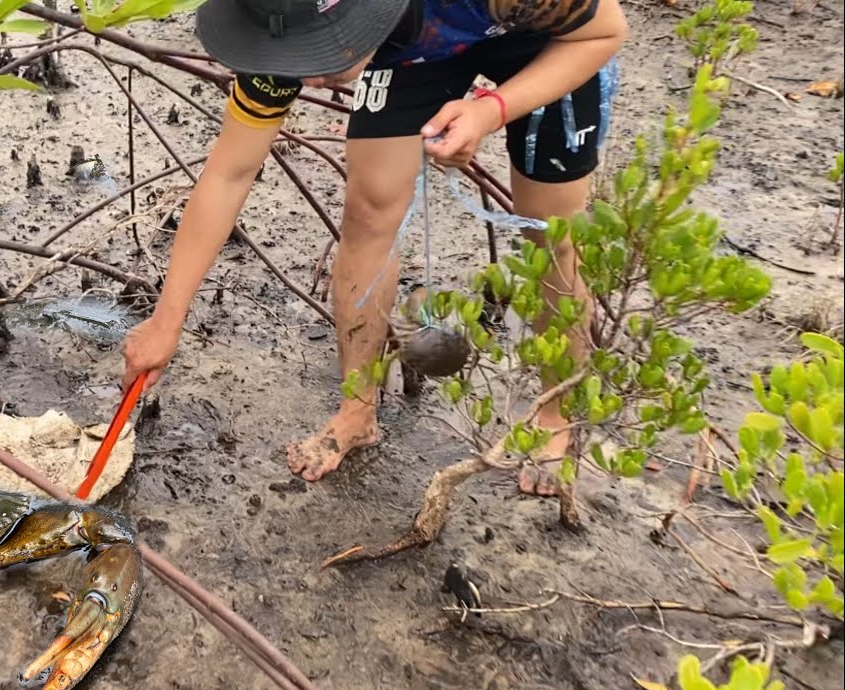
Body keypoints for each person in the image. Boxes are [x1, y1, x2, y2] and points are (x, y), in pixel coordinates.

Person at [122, 0, 628, 493]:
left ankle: (556, 414)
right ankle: (357, 409)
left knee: (549, 230)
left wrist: (491, 111)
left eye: (317, 55)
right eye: (295, 56)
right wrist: (167, 320)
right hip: (412, 51)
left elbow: (605, 31)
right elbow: (229, 172)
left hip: (546, 40)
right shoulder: (279, 19)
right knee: (368, 211)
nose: (308, 79)